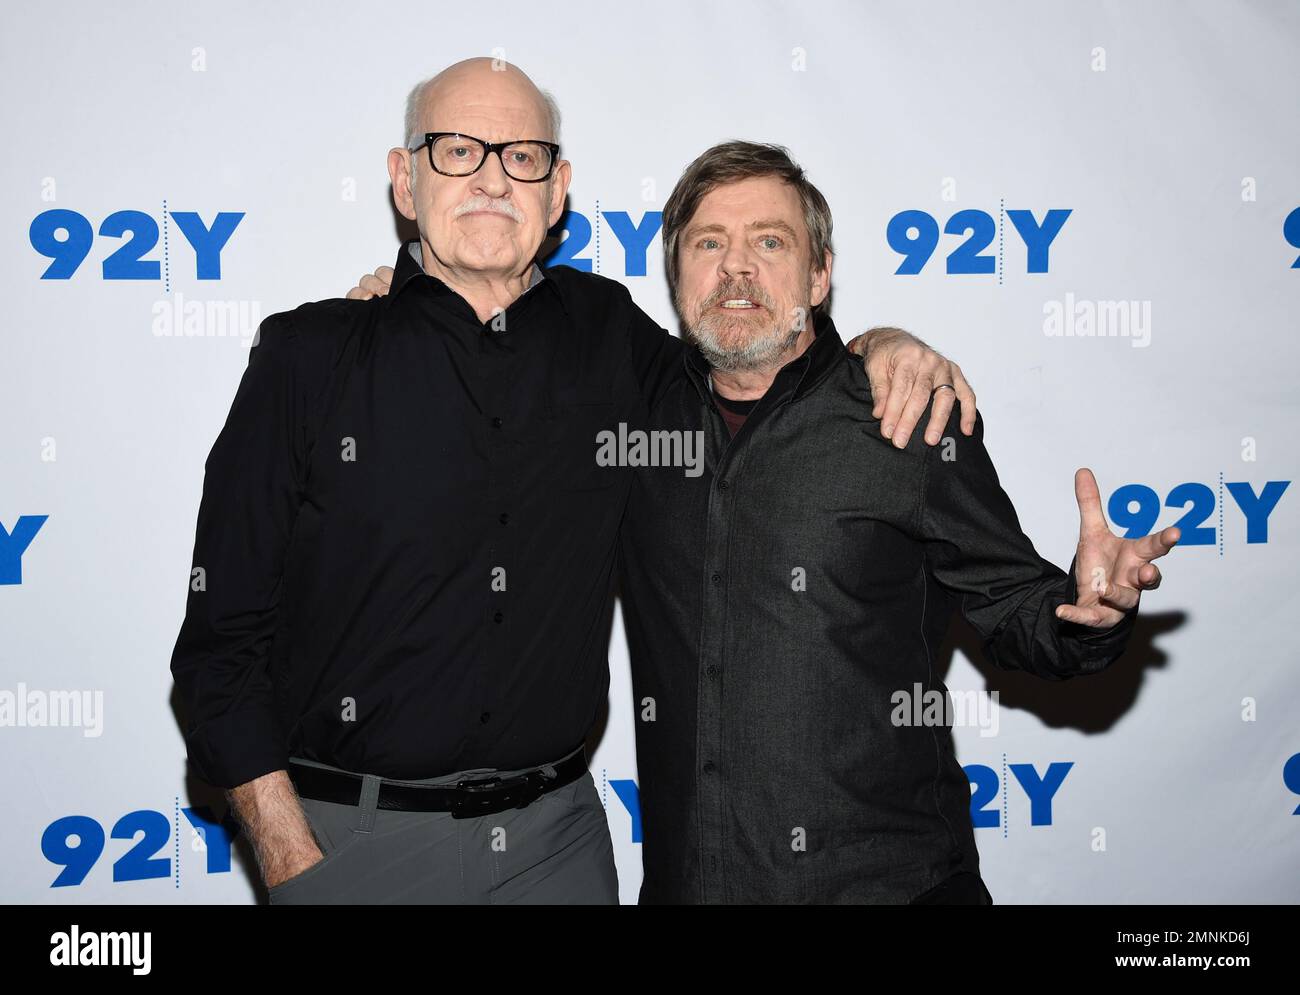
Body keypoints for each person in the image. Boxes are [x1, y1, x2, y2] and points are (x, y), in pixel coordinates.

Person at [169, 58, 968, 905]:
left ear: (557, 193)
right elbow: (221, 645)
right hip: (355, 846)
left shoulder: (611, 335)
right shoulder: (307, 357)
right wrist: (296, 863)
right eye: (456, 151)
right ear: (405, 182)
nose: (489, 178)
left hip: (560, 848)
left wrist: (879, 343)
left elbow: (761, 362)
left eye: (521, 156)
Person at [617, 141, 1180, 903]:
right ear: (676, 270)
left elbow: (1016, 604)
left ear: (819, 276)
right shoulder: (631, 415)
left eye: (770, 242)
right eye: (709, 242)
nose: (737, 266)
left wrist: (1092, 614)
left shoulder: (906, 416)